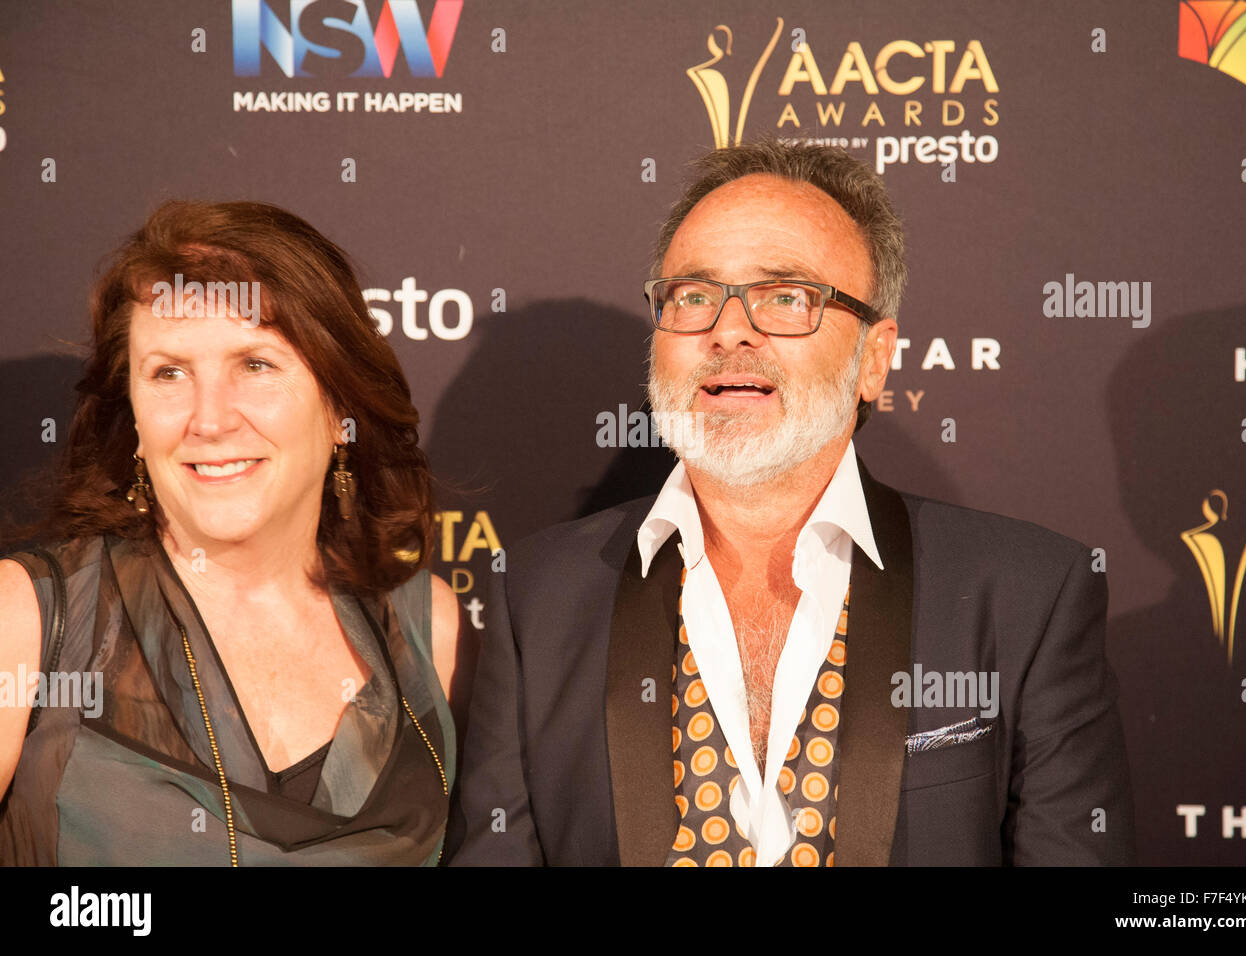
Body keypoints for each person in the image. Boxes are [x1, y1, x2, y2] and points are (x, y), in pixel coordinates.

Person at [448, 141, 1136, 866]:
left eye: (786, 297)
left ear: (874, 359)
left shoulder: (1026, 595)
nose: (729, 329)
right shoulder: (540, 595)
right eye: (693, 295)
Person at [0, 200, 470, 865]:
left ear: (341, 406)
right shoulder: (23, 619)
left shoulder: (434, 632)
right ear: (131, 413)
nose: (210, 419)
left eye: (255, 365)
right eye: (169, 373)